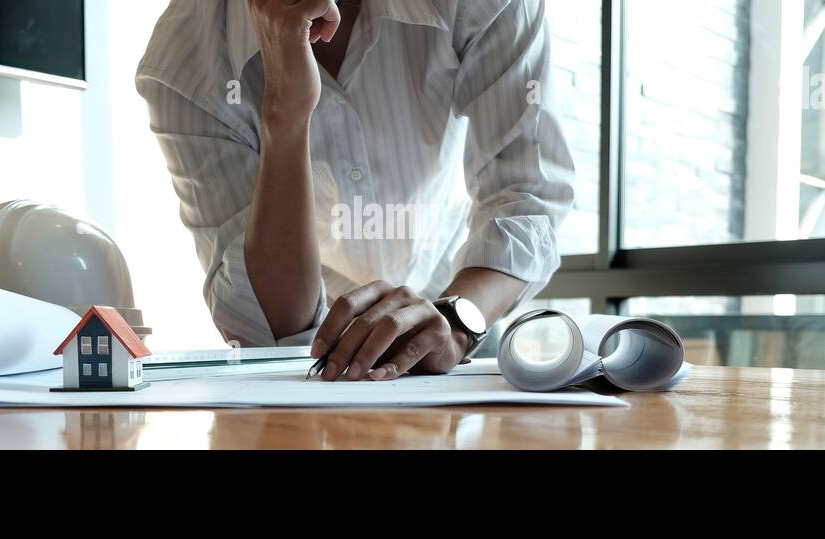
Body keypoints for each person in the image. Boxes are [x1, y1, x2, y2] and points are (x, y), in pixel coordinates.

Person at [136, 0, 575, 381]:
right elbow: (271, 328)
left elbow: (527, 198)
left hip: (458, 321)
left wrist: (456, 322)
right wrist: (285, 116)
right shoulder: (185, 65)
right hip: (307, 368)